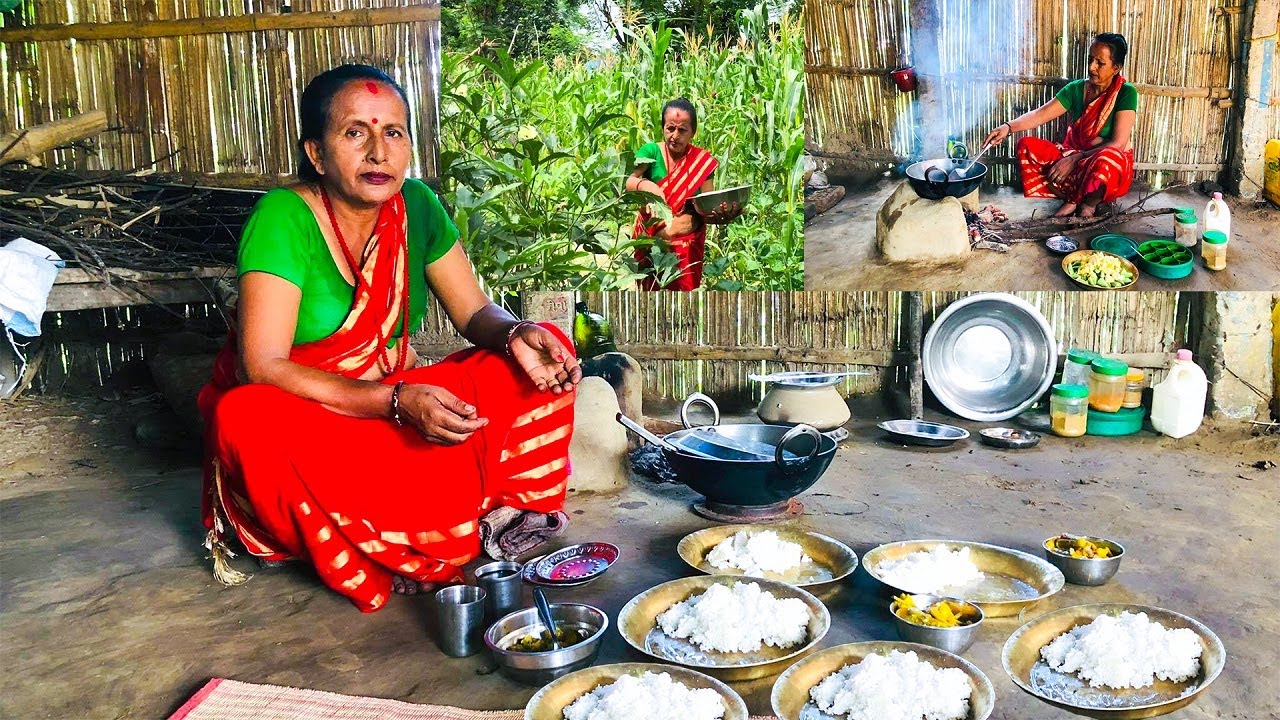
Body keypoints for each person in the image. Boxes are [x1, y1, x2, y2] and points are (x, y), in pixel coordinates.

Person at [197, 65, 582, 613]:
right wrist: (394, 402)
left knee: (528, 361)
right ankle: (381, 547)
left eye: (393, 132)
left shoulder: (417, 205)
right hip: (315, 416)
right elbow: (263, 365)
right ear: (316, 153)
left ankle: (497, 519)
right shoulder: (282, 217)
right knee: (244, 416)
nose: (378, 152)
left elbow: (475, 313)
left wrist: (516, 332)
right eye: (355, 132)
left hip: (397, 396)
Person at [984, 33, 1138, 218]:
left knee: (1108, 158)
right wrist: (1008, 127)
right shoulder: (1076, 89)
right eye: (1090, 59)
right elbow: (1040, 114)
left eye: (1100, 62)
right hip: (1073, 155)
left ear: (1116, 67)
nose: (1091, 67)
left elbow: (1118, 143)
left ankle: (1088, 204)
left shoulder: (1126, 93)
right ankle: (1075, 197)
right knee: (1026, 146)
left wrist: (1075, 160)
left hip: (1104, 166)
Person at [626, 98, 744, 291]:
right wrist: (648, 186)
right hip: (652, 243)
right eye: (670, 128)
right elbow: (628, 181)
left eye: (682, 130)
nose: (675, 135)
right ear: (663, 127)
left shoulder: (702, 162)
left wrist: (723, 216)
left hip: (687, 247)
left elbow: (706, 209)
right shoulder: (651, 152)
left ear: (693, 132)